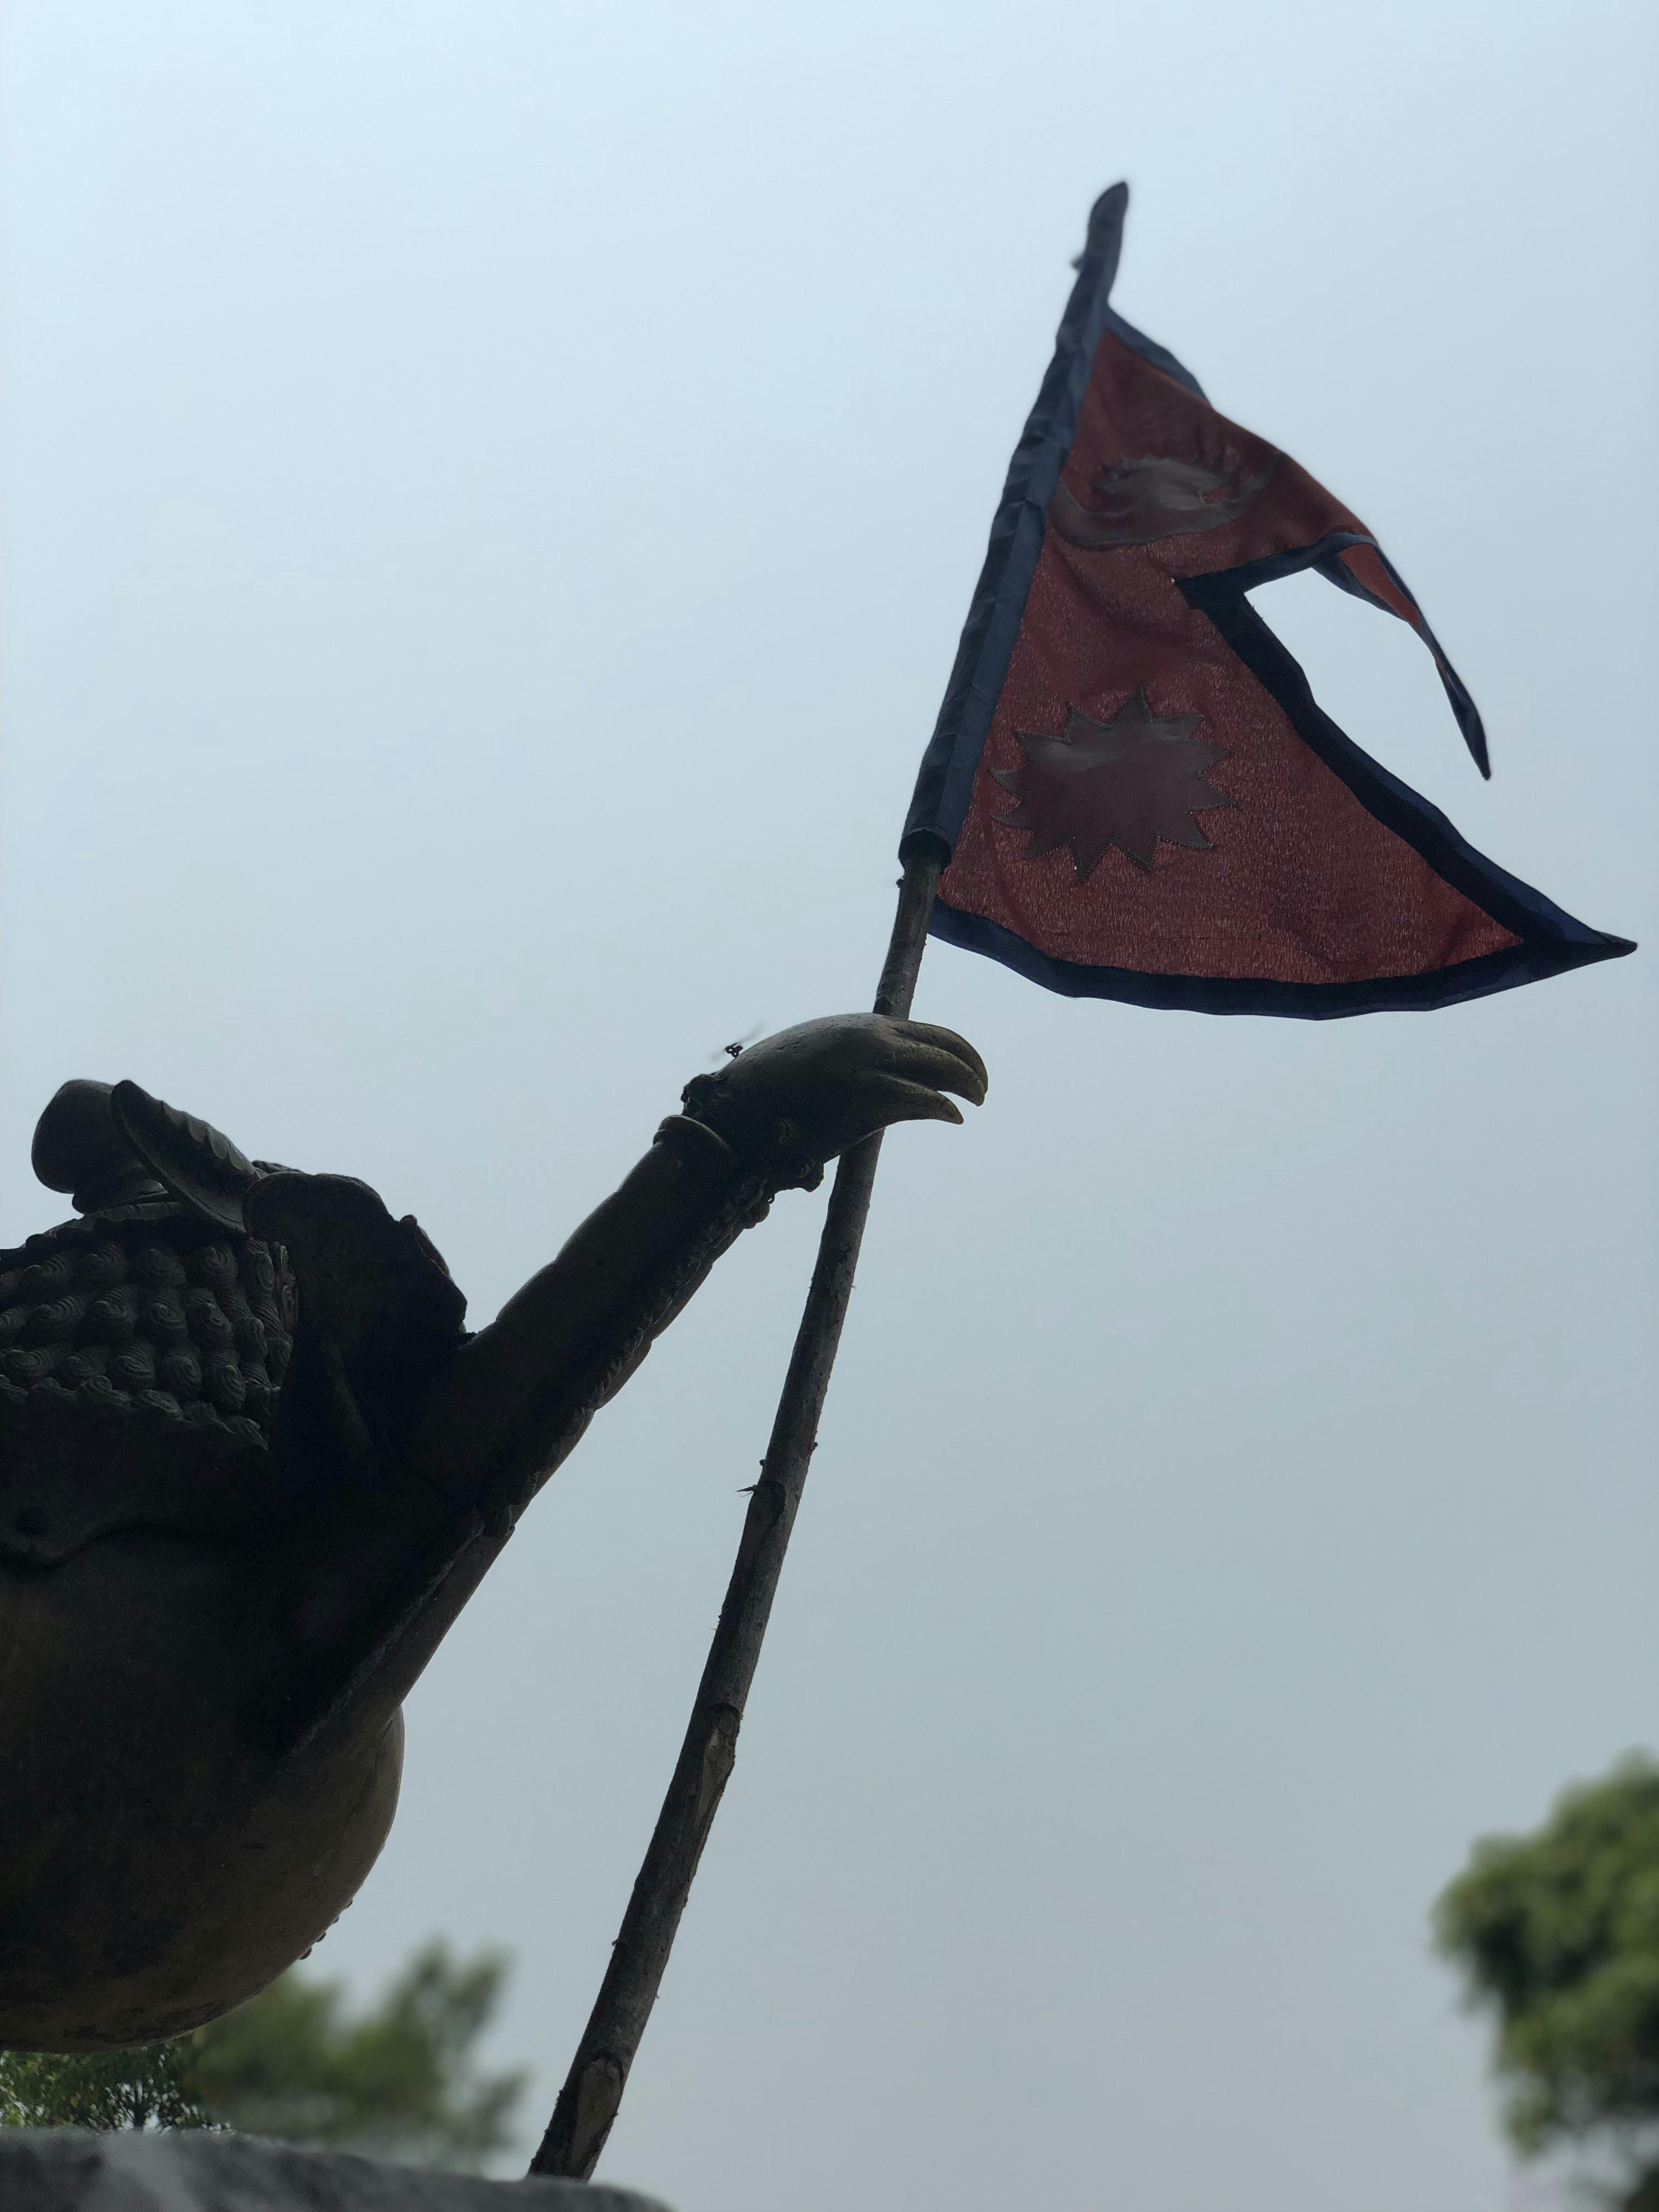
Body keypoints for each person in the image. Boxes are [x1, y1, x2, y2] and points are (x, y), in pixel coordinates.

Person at [0, 1014, 985, 2051]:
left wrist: (730, 1144)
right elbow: (471, 1450)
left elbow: (477, 1449)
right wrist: (729, 1143)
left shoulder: (254, 1619)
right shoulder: (240, 1594)